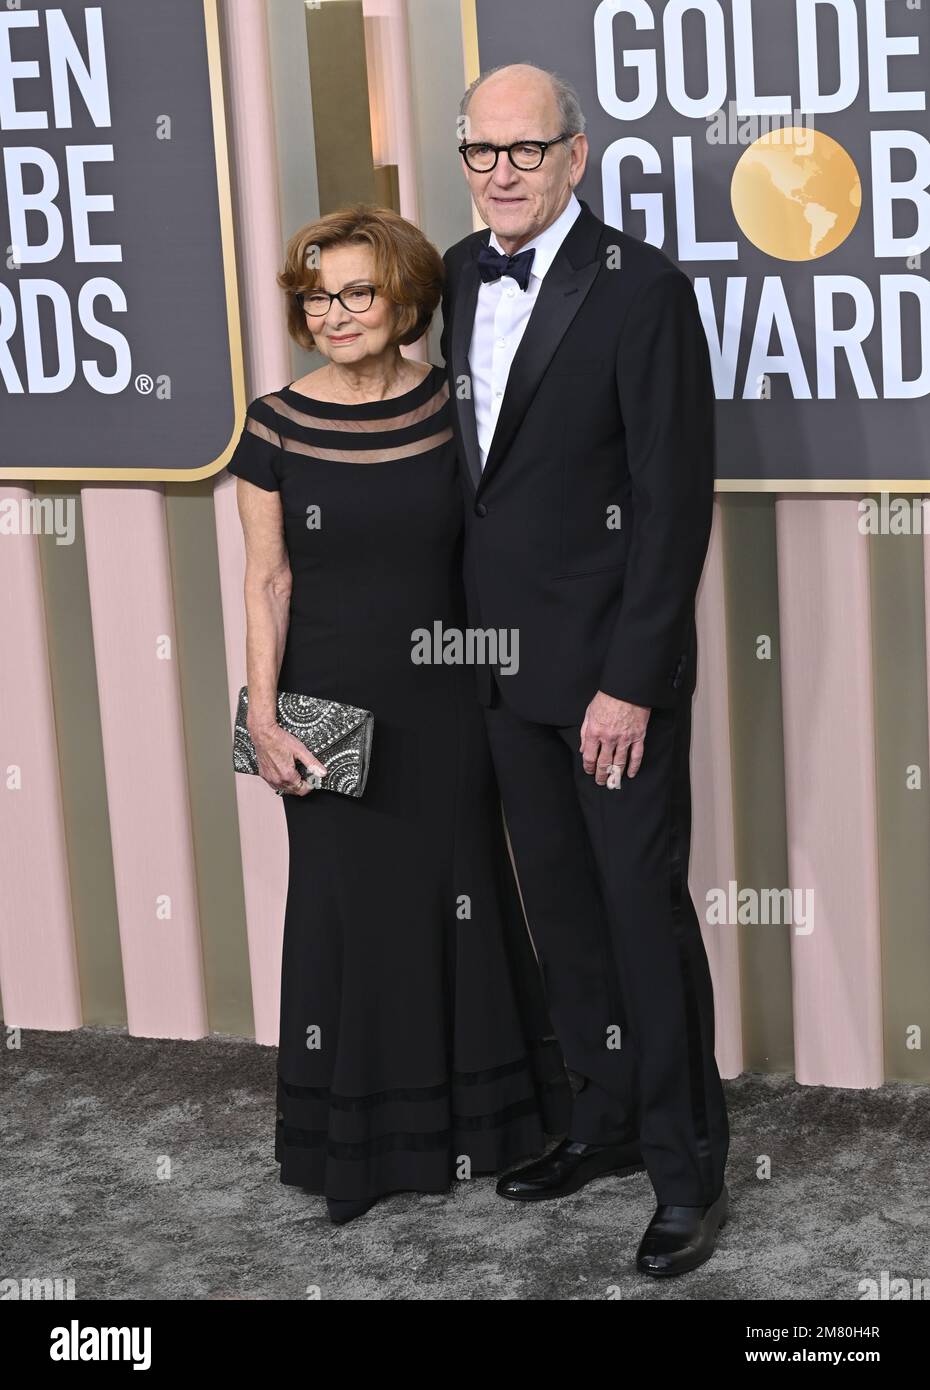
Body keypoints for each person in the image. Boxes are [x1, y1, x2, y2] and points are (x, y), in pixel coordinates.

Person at [226, 204, 572, 1225]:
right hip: (326, 706)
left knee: (461, 896)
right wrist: (267, 715)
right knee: (346, 915)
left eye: (358, 292)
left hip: (450, 698)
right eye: (316, 296)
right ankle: (358, 1146)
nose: (334, 313)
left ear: (405, 298)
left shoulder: (457, 410)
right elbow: (266, 582)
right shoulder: (275, 423)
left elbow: (505, 551)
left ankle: (485, 1127)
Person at [440, 63, 730, 1276]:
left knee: (641, 916)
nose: (501, 173)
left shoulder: (644, 290)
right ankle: (602, 1118)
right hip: (502, 670)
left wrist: (634, 681)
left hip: (614, 677)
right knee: (560, 913)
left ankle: (686, 1171)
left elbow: (673, 505)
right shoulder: (455, 275)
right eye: (481, 152)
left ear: (577, 156)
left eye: (525, 149)